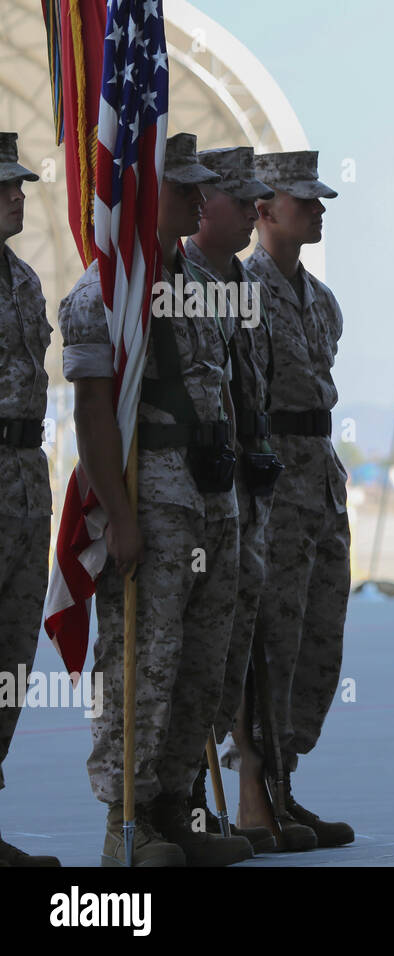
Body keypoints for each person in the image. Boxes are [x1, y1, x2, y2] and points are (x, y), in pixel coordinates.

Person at [60, 133, 252, 866]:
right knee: (143, 662)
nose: (201, 200)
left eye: (204, 187)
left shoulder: (197, 284)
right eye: (184, 188)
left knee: (207, 663)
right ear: (145, 194)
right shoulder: (106, 290)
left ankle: (178, 807)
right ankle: (127, 819)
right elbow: (94, 411)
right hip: (154, 498)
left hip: (210, 499)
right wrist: (121, 514)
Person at [184, 145, 314, 852]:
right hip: (203, 492)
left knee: (259, 650)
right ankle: (212, 799)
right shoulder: (182, 284)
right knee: (198, 653)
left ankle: (268, 792)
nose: (317, 211)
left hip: (259, 486)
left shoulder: (240, 285)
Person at [239, 150, 353, 848]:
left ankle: (284, 784)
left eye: (319, 200)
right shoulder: (241, 289)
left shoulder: (321, 299)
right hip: (274, 475)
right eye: (303, 200)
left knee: (317, 639)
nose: (317, 211)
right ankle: (254, 792)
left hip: (320, 478)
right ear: (263, 209)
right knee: (269, 639)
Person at [0, 131, 60, 867]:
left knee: (12, 656)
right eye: (7, 185)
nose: (19, 193)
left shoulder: (22, 281)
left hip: (22, 475)